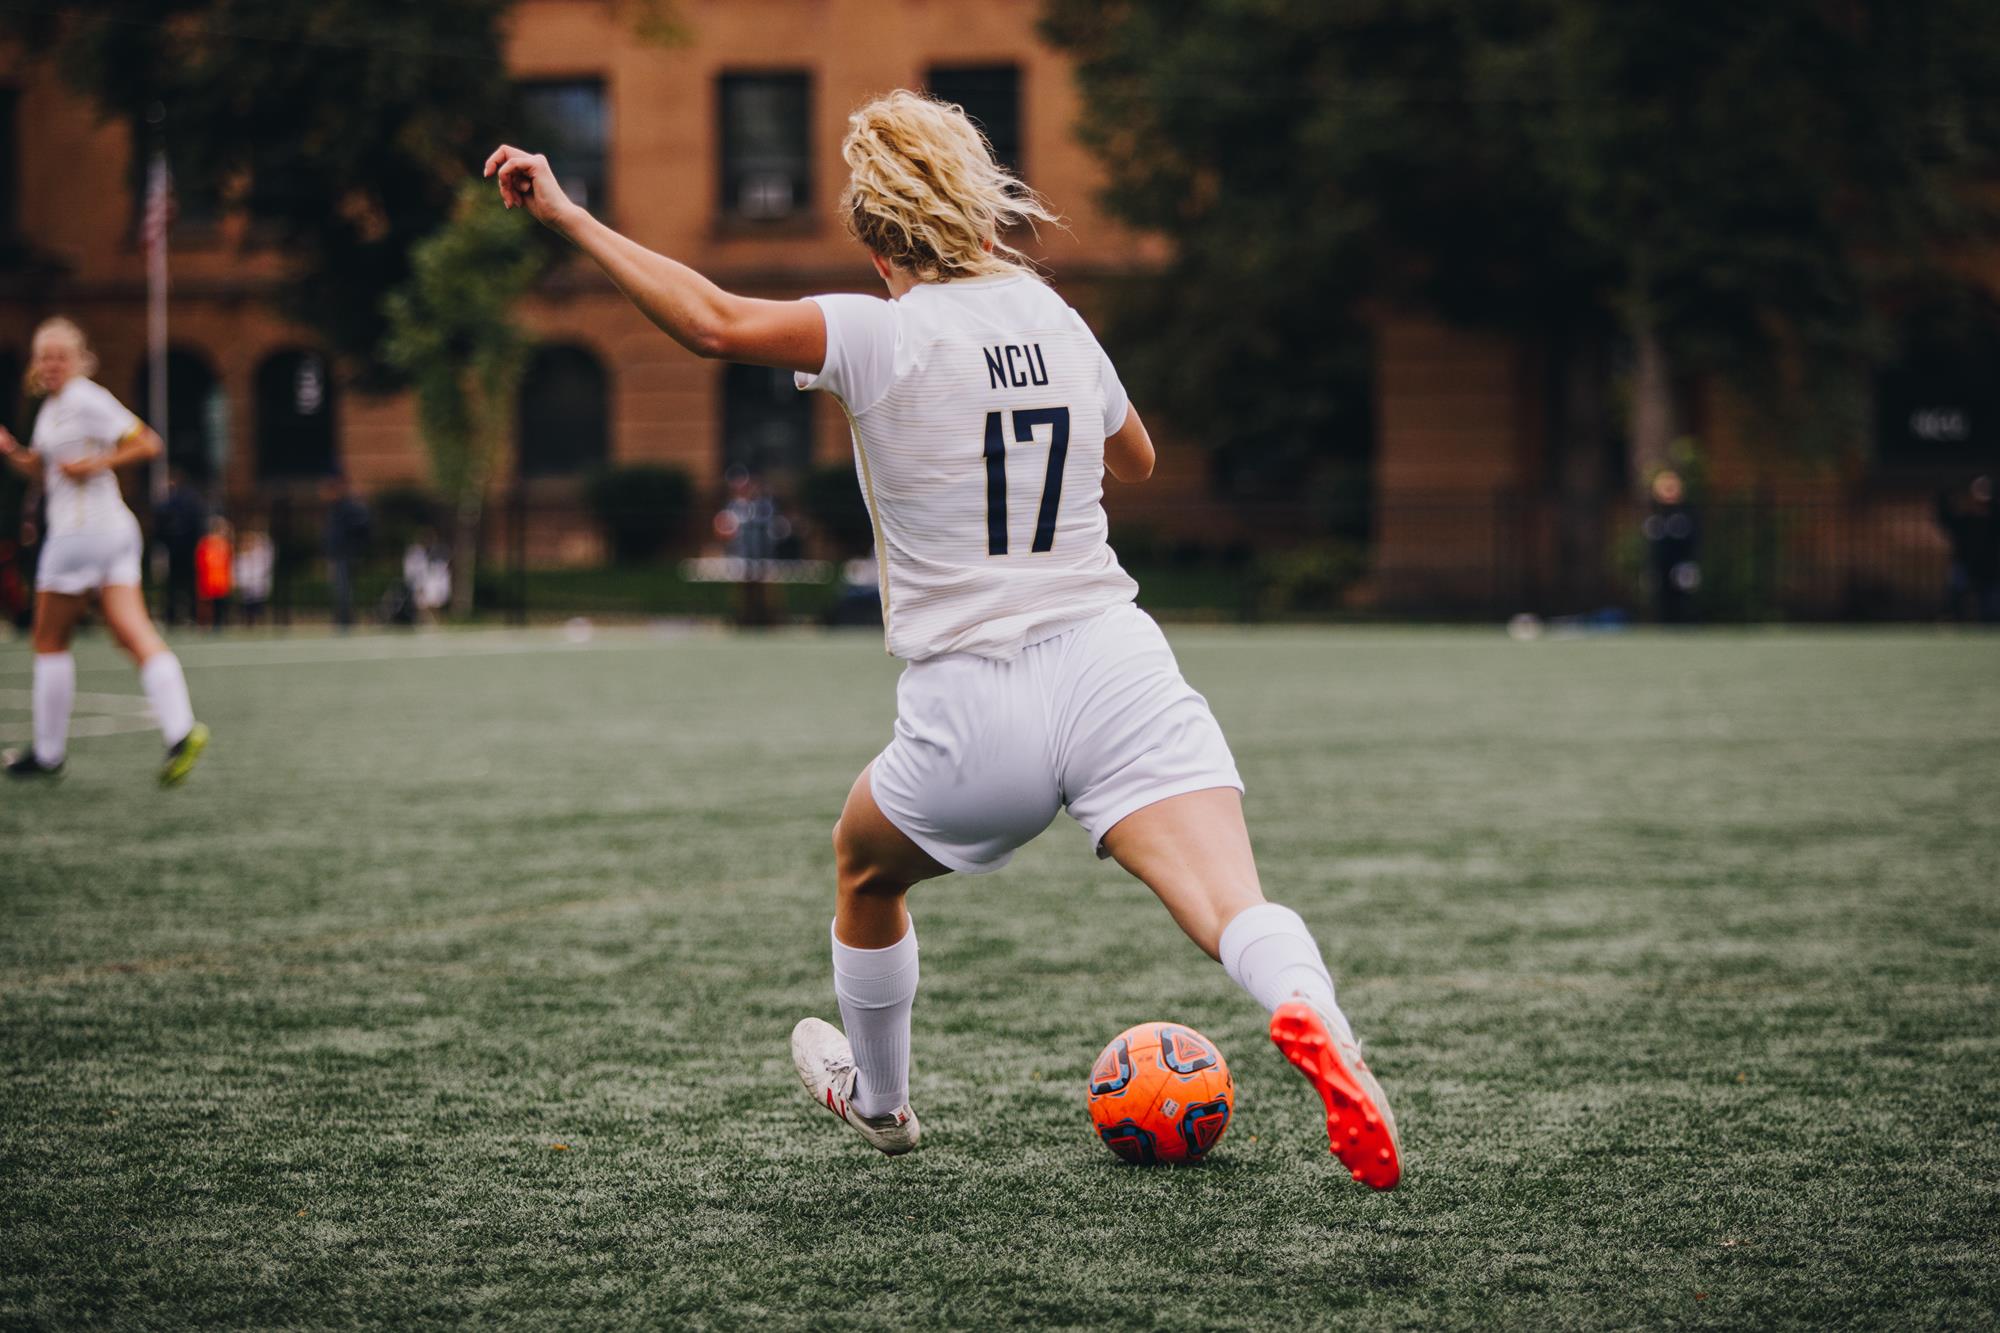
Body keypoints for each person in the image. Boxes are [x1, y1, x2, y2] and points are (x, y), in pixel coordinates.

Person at [487, 90, 1402, 1189]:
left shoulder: (882, 332)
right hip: (1114, 657)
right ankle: (1316, 1018)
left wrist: (573, 218)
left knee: (864, 867)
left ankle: (881, 1106)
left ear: (874, 238)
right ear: (976, 209)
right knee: (1226, 902)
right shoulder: (1055, 314)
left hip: (975, 702)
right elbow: (1141, 460)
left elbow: (711, 320)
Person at [0, 316, 209, 783]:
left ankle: (49, 754)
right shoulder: (51, 407)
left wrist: (95, 463)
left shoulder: (84, 398)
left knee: (49, 640)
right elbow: (42, 469)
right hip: (112, 532)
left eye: (60, 356)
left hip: (80, 534)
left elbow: (147, 443)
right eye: (44, 356)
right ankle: (180, 730)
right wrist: (12, 451)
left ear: (78, 359)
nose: (51, 364)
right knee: (132, 632)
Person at [154, 468, 206, 627]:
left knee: (177, 584)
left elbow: (162, 521)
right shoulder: (192, 499)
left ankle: (174, 615)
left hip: (179, 548)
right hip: (185, 547)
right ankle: (186, 614)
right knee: (185, 584)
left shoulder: (175, 500)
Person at [321, 474, 370, 630]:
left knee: (343, 589)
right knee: (338, 589)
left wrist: (354, 546)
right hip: (336, 555)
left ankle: (345, 621)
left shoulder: (348, 508)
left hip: (345, 555)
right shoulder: (334, 509)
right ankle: (341, 619)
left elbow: (364, 524)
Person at [195, 515, 233, 631]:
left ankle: (218, 625)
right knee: (207, 606)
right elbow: (200, 562)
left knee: (219, 606)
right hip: (209, 580)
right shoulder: (206, 543)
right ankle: (205, 625)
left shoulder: (225, 544)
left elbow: (228, 563)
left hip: (220, 580)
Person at [233, 527, 274, 628]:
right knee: (247, 607)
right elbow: (237, 569)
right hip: (246, 586)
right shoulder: (241, 555)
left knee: (257, 606)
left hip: (257, 585)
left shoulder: (259, 554)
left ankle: (257, 623)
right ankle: (248, 623)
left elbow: (269, 549)